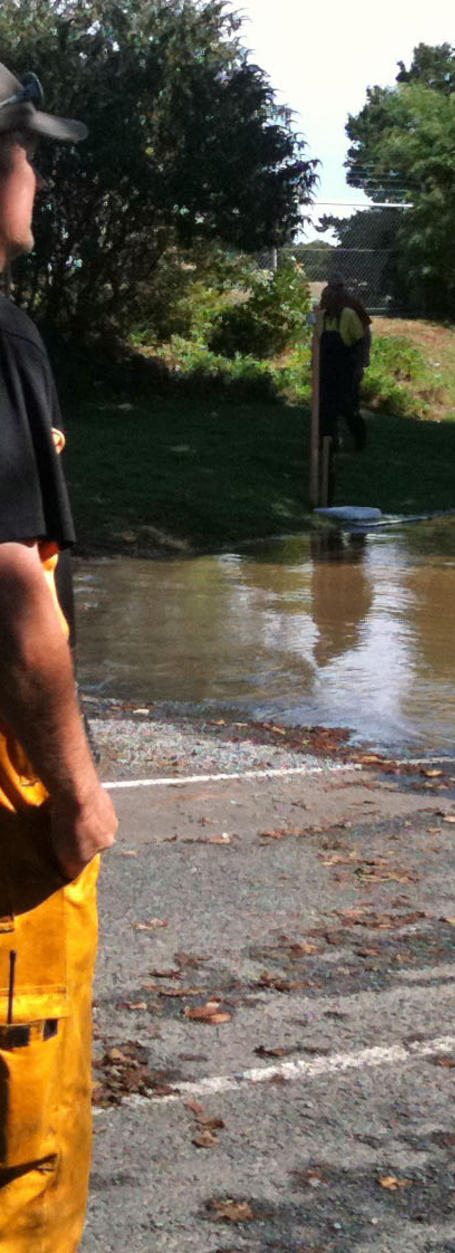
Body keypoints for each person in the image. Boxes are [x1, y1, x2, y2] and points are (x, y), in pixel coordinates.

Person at [0, 63, 117, 1251]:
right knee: (22, 1141)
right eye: (25, 155)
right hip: (4, 823)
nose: (36, 177)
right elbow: (8, 579)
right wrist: (76, 788)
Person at [317, 272, 370, 454]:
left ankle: (359, 440)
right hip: (326, 370)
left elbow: (363, 338)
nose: (324, 300)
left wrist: (362, 363)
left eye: (328, 297)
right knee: (326, 410)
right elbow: (313, 334)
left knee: (348, 408)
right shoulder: (321, 316)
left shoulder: (351, 311)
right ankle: (329, 445)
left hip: (346, 369)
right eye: (324, 296)